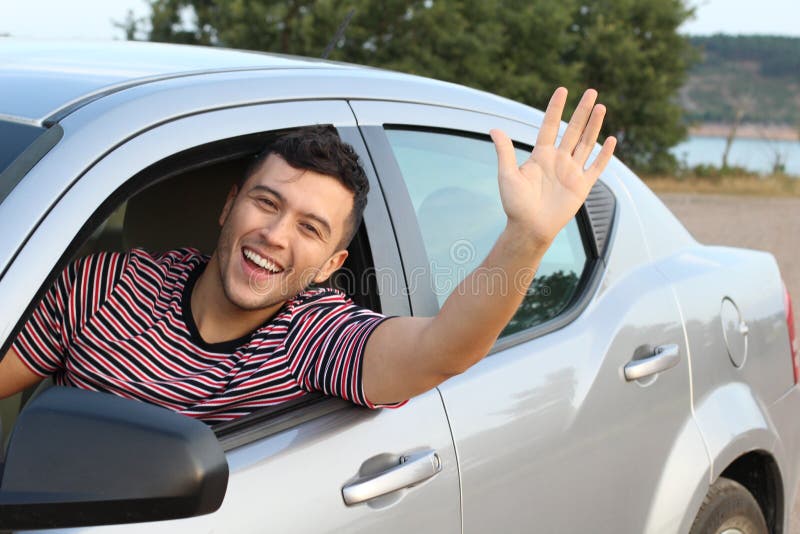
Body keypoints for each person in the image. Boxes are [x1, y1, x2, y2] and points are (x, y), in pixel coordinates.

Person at [0, 87, 616, 423]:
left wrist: (528, 237)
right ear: (229, 206)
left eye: (310, 229)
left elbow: (441, 350)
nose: (275, 235)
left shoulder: (310, 337)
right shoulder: (108, 284)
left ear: (329, 268)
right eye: (266, 202)